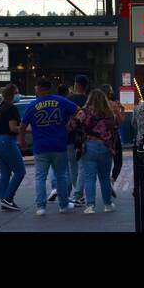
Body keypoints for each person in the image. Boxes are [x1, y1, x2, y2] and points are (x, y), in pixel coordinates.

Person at [19, 79, 79, 216]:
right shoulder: (61, 101)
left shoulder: (33, 104)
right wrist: (71, 123)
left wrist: (21, 140)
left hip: (41, 145)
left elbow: (22, 125)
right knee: (61, 176)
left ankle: (41, 207)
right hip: (59, 144)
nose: (35, 89)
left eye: (36, 87)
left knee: (40, 177)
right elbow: (78, 110)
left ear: (39, 89)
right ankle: (63, 205)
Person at [73, 88, 119, 213]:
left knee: (89, 178)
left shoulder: (83, 112)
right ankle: (107, 204)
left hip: (88, 146)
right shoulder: (109, 113)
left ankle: (90, 206)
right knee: (104, 178)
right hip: (105, 146)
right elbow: (115, 127)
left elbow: (75, 125)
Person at [0, 84, 26, 211]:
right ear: (12, 94)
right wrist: (25, 128)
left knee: (5, 173)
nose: (19, 95)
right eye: (17, 92)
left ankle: (4, 200)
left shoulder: (0, 106)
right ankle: (8, 198)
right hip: (7, 141)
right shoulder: (12, 108)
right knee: (20, 171)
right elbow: (13, 128)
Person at [65, 74, 90, 205]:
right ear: (86, 86)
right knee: (82, 167)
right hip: (83, 138)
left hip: (69, 137)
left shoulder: (68, 100)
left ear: (76, 84)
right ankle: (78, 194)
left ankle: (76, 193)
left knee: (72, 167)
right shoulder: (89, 101)